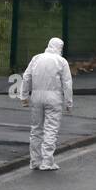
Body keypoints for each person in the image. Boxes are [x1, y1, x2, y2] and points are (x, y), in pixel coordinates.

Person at [19, 37, 73, 171]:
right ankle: (47, 161)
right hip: (54, 97)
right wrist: (68, 102)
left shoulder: (36, 58)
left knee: (36, 129)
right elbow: (67, 83)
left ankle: (35, 161)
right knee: (51, 129)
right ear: (60, 48)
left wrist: (24, 95)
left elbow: (26, 77)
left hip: (36, 96)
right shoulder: (61, 61)